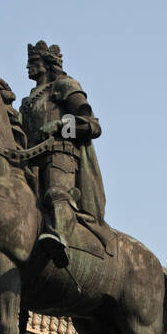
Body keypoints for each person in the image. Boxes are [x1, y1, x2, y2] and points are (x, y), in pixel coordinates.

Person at [19, 40, 107, 267]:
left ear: (47, 64)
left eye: (33, 61)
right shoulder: (28, 100)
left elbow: (92, 125)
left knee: (56, 193)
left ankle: (59, 238)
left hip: (61, 156)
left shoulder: (65, 85)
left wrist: (61, 127)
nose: (28, 66)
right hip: (29, 161)